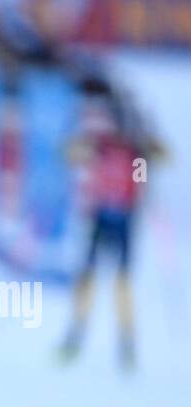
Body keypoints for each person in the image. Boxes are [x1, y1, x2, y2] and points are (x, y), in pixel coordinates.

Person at [58, 89, 163, 371]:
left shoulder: (135, 151)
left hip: (124, 218)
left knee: (121, 281)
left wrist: (147, 154)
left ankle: (126, 342)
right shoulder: (101, 146)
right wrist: (83, 145)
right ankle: (75, 335)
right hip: (101, 215)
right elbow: (70, 154)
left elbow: (155, 164)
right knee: (89, 276)